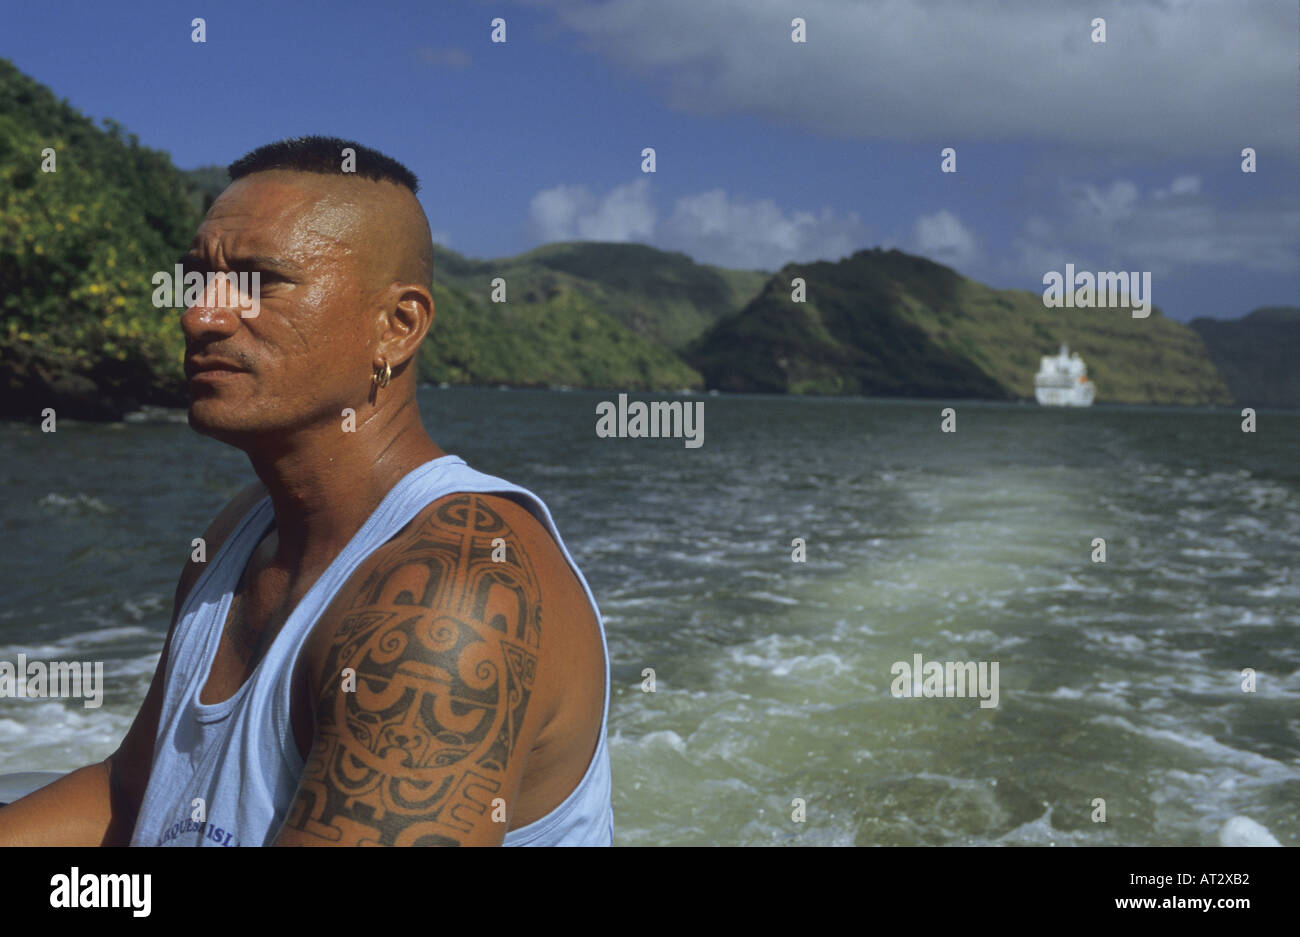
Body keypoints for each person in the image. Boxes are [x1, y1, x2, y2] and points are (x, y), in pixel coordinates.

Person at [0, 137, 612, 846]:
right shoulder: (238, 535)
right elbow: (130, 793)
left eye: (259, 281)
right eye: (197, 279)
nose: (200, 316)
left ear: (397, 327)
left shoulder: (456, 590)